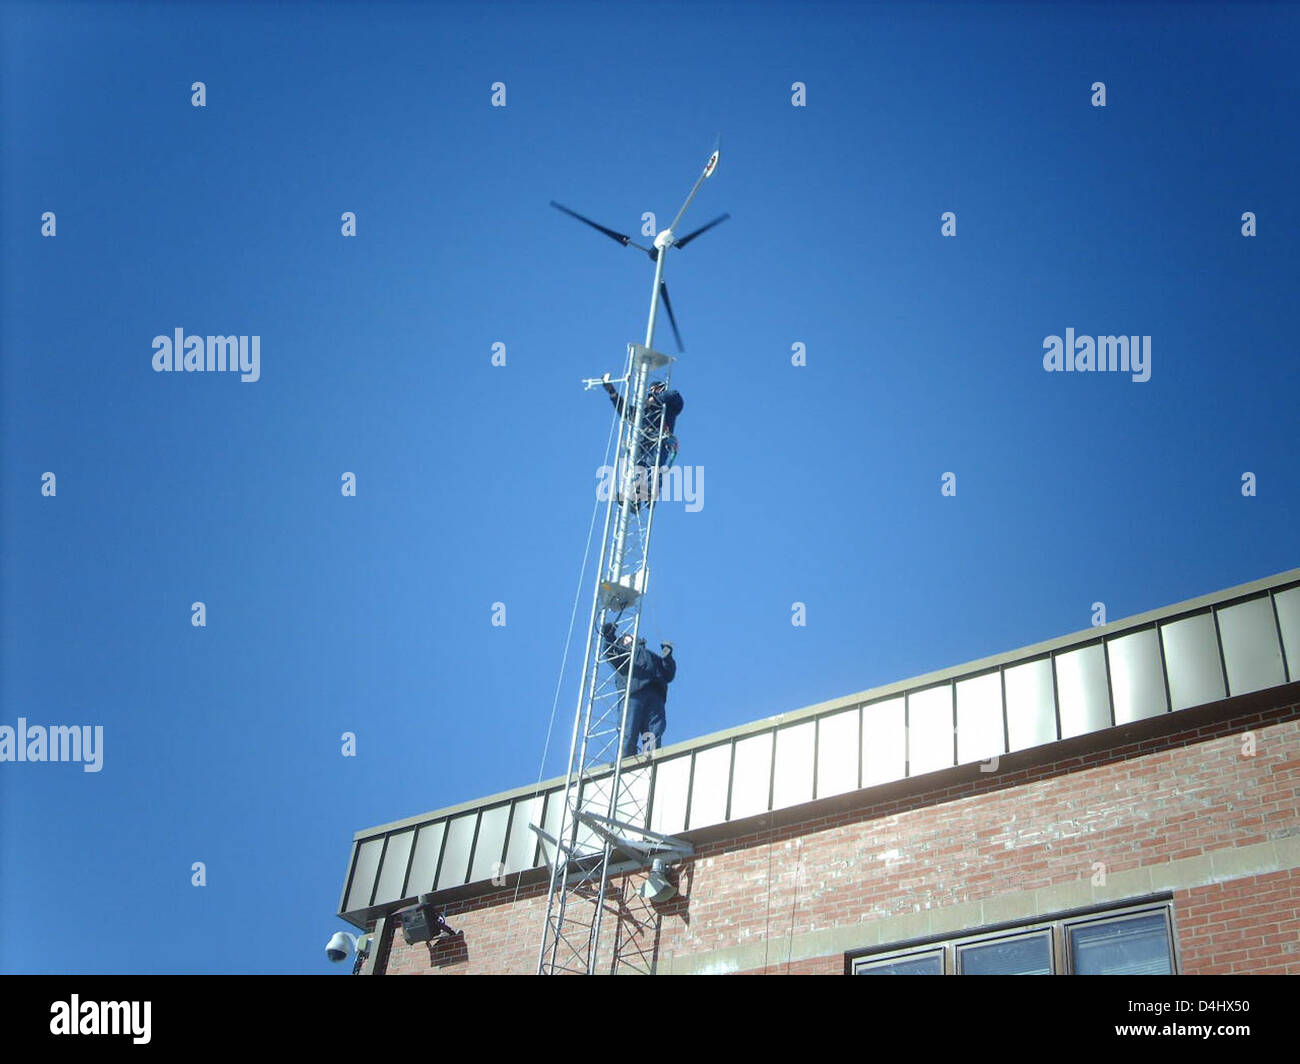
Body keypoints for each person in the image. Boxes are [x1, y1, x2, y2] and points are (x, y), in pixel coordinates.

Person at [602, 376, 683, 505]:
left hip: (659, 441)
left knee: (653, 465)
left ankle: (650, 492)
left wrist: (656, 399)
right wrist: (613, 393)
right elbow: (626, 412)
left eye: (655, 390)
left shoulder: (669, 407)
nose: (652, 393)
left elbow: (675, 395)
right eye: (651, 391)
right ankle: (634, 498)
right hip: (643, 442)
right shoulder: (643, 410)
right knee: (638, 468)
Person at [601, 623, 676, 758]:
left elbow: (668, 674)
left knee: (653, 729)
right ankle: (626, 760)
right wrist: (609, 636)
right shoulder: (623, 655)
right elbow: (610, 652)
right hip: (633, 692)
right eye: (625, 638)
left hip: (654, 693)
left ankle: (651, 756)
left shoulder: (651, 655)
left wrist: (667, 658)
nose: (630, 637)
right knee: (630, 728)